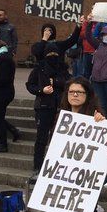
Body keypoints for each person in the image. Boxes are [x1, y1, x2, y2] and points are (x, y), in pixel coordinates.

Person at [52, 77, 106, 212]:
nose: (75, 95)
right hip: (66, 171)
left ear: (87, 95)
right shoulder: (63, 115)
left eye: (79, 92)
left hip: (87, 175)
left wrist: (100, 122)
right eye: (71, 92)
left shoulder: (95, 117)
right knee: (70, 211)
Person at [26, 42, 70, 174]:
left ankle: (56, 165)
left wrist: (56, 82)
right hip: (44, 106)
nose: (53, 56)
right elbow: (30, 85)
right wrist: (41, 90)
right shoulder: (39, 68)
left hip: (59, 107)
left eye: (55, 54)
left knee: (57, 138)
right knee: (41, 138)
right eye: (50, 54)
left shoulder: (62, 68)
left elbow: (69, 82)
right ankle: (38, 166)